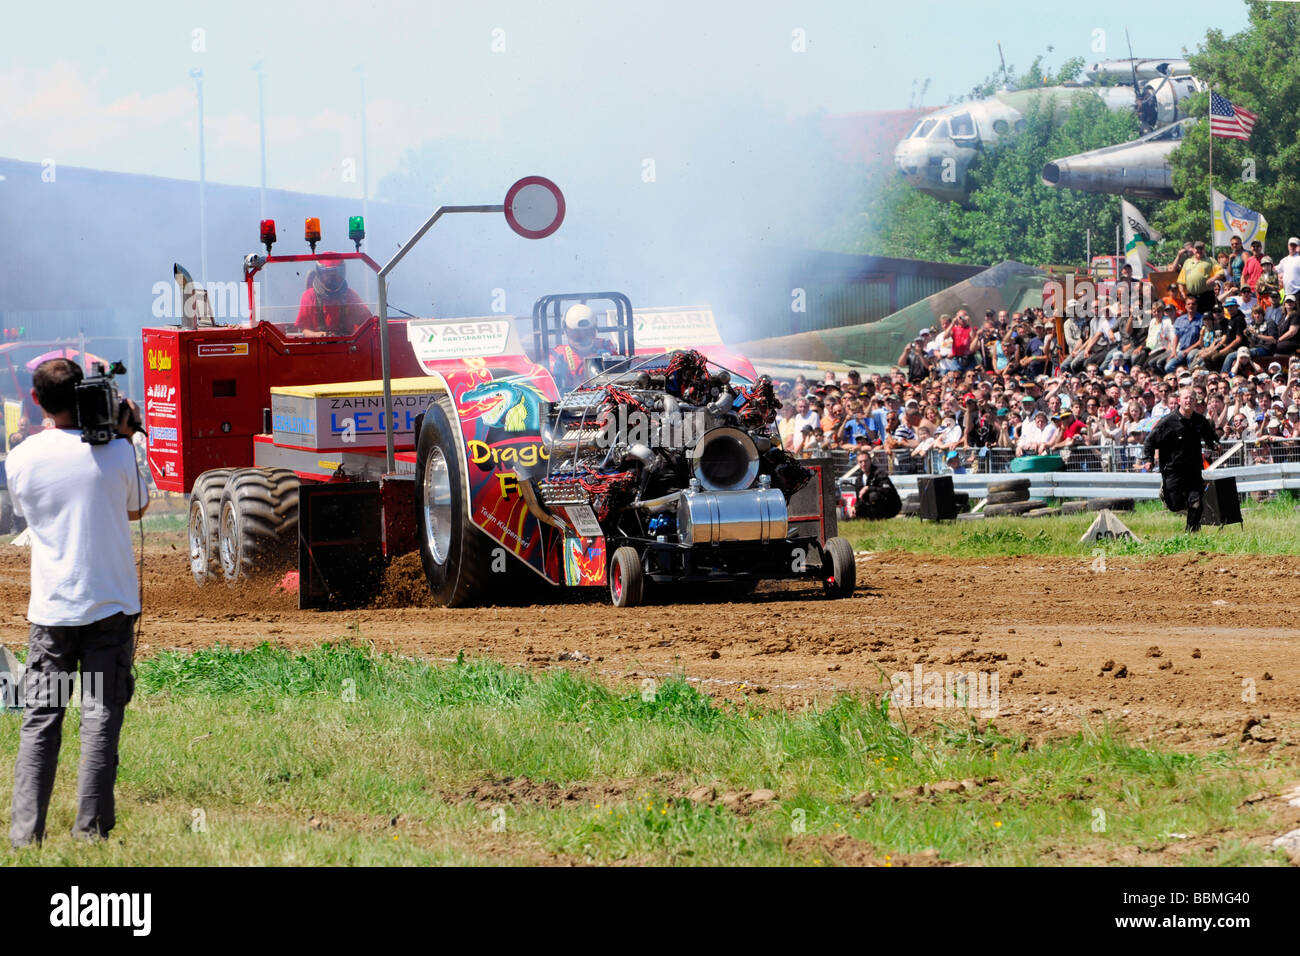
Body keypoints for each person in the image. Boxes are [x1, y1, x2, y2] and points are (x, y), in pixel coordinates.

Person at [6, 359, 148, 847]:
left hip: (51, 612)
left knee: (41, 721)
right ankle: (91, 833)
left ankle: (25, 838)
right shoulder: (116, 452)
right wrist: (127, 439)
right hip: (109, 608)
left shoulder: (21, 458)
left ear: (36, 399)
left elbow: (28, 511)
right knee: (100, 716)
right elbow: (137, 508)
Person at [1143, 386, 1219, 532]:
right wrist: (1148, 459)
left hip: (1194, 469)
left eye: (1191, 398)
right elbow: (1150, 441)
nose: (1188, 401)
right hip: (1173, 470)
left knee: (1196, 502)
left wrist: (1215, 445)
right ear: (1179, 401)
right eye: (1185, 398)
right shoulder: (1168, 422)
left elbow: (1210, 437)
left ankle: (1192, 534)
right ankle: (1165, 492)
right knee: (1175, 505)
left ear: (1195, 401)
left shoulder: (1200, 421)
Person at [293, 254, 371, 336]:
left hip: (347, 346)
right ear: (320, 274)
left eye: (335, 274)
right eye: (328, 273)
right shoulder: (309, 296)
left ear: (342, 272)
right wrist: (319, 335)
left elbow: (367, 323)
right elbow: (304, 330)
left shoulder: (350, 295)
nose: (332, 278)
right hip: (316, 347)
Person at [549, 303, 612, 389]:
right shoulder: (558, 355)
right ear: (566, 331)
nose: (583, 338)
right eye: (576, 334)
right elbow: (552, 390)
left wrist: (611, 361)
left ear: (595, 330)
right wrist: (558, 378)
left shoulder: (606, 347)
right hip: (571, 399)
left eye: (588, 333)